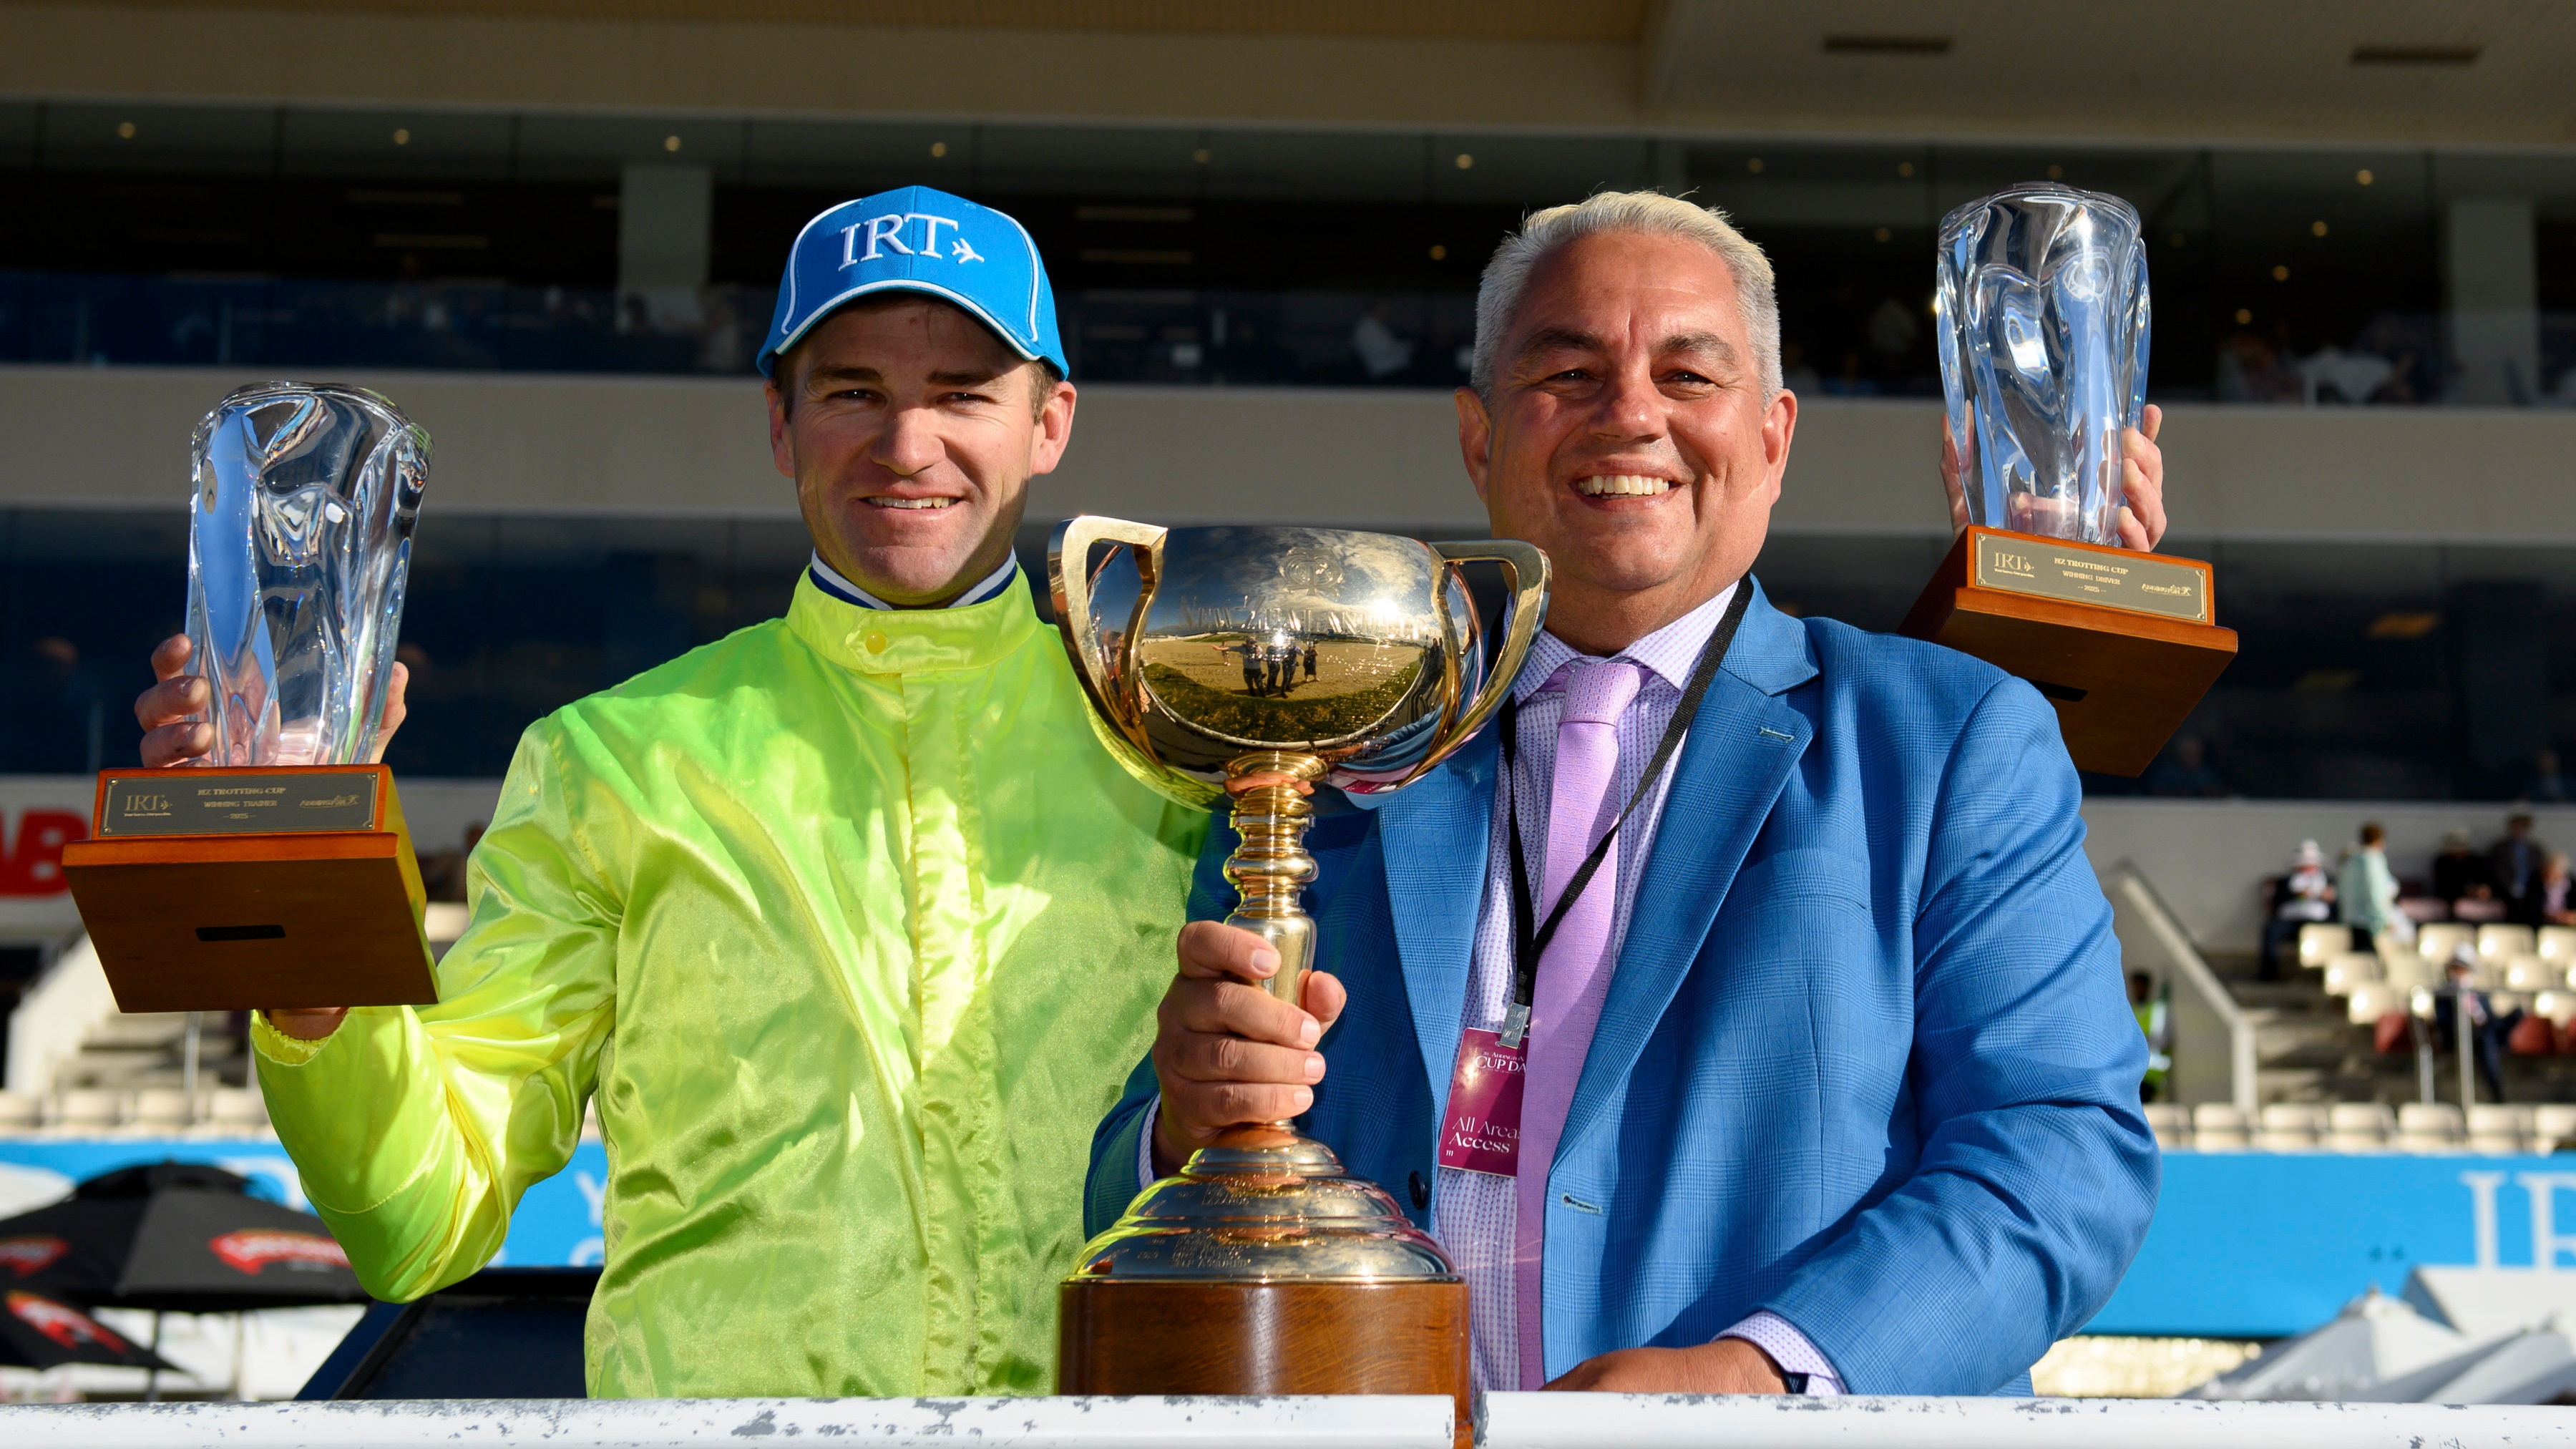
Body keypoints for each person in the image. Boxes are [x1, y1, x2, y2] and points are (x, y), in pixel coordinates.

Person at [132, 187, 1207, 1396]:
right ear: (779, 420)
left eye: (963, 393)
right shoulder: (615, 760)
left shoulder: (1179, 740)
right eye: (854, 390)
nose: (908, 446)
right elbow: (424, 1218)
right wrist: (313, 967)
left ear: (1050, 422)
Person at [1091, 192, 2167, 1397]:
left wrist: (1757, 1380)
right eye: (1570, 370)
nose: (1632, 416)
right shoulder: (1331, 747)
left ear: (1774, 438)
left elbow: (2061, 1156)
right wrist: (1186, 1125)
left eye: (1689, 376)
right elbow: (1121, 1184)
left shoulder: (1948, 740)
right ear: (1478, 436)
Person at [2434, 949, 2523, 1103]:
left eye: (2464, 968)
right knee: (2486, 1037)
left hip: (2486, 1032)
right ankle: (2498, 1097)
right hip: (2462, 1035)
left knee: (2510, 1018)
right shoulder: (2444, 995)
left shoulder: (2480, 994)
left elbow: (2489, 1016)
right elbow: (2445, 1023)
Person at [2258, 839, 2334, 981]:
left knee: (2332, 936)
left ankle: (2324, 976)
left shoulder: (2327, 881)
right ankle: (2269, 974)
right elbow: (2277, 901)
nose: (2308, 868)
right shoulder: (2285, 882)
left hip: (2318, 922)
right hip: (2290, 920)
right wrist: (2295, 894)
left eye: (2311, 865)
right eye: (2304, 865)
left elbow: (2334, 903)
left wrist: (2328, 896)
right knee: (2271, 931)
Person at [2338, 821, 2409, 951]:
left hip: (2352, 918)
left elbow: (2342, 890)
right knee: (2369, 962)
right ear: (2379, 840)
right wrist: (2383, 919)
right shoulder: (2372, 859)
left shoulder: (2351, 859)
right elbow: (2376, 892)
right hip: (2370, 922)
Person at [2494, 813, 2549, 916]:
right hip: (2505, 892)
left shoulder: (2536, 850)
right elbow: (2495, 872)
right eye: (2516, 826)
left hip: (2530, 893)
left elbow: (2540, 872)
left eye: (2523, 826)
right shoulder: (2499, 849)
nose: (2519, 830)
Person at [2128, 971, 2172, 1101]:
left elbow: (2161, 1041)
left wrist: (2136, 1040)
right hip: (2134, 1075)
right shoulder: (2130, 1010)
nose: (2138, 990)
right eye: (2135, 986)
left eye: (2141, 985)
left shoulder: (2158, 1010)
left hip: (2154, 1076)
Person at [2433, 826, 2499, 907]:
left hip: (2481, 898)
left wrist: (2484, 889)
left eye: (2460, 846)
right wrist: (2468, 891)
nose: (2458, 851)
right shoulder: (2442, 862)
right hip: (2452, 900)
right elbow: (2442, 887)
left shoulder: (2478, 861)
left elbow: (2490, 880)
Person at [2522, 852, 2576, 928]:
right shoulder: (2536, 882)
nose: (2551, 878)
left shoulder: (2572, 885)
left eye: (2556, 875)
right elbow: (2531, 909)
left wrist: (2568, 916)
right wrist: (2552, 916)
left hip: (2566, 926)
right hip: (2542, 925)